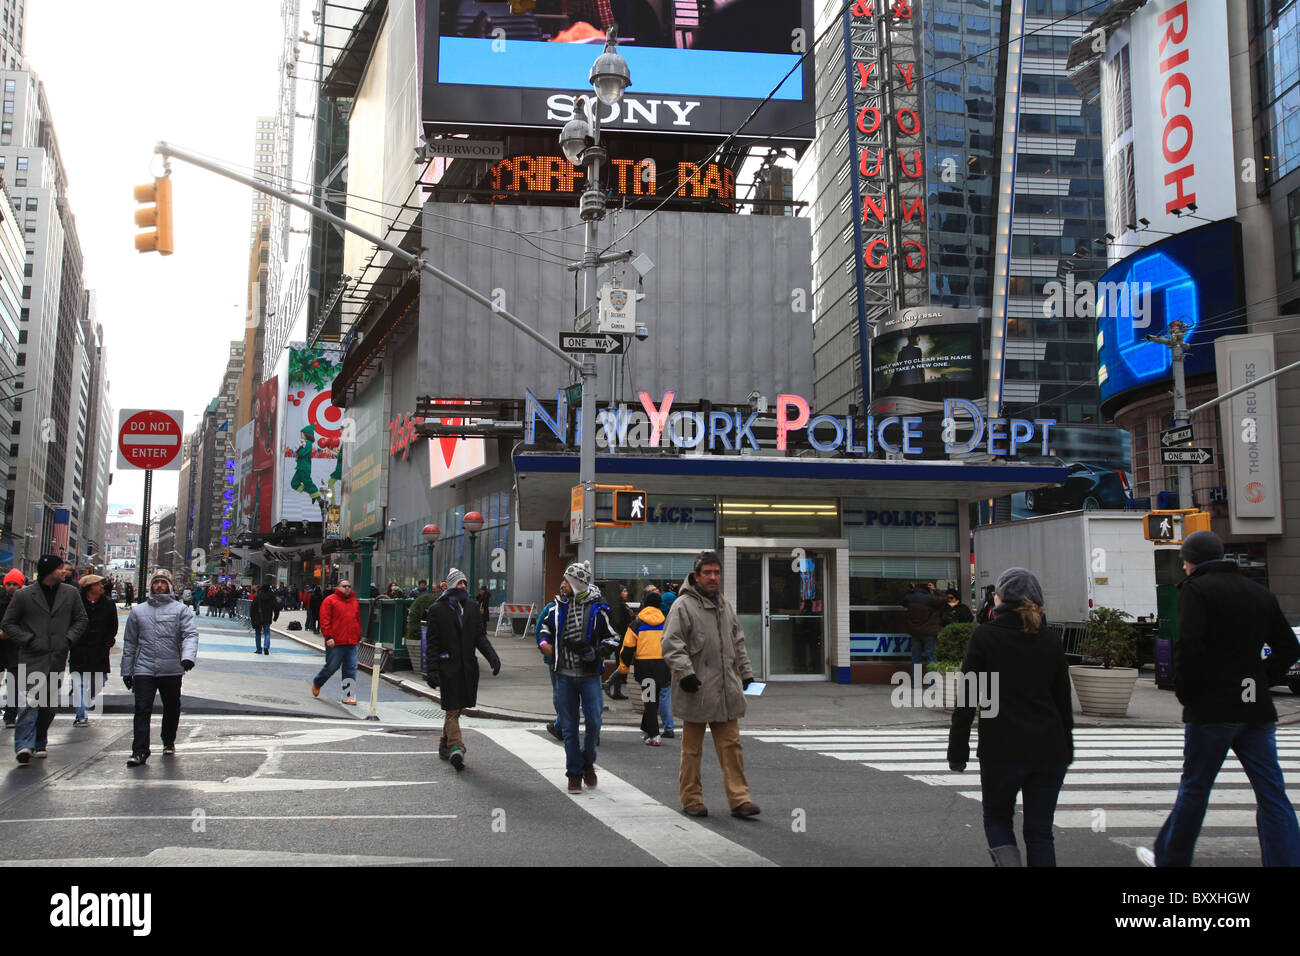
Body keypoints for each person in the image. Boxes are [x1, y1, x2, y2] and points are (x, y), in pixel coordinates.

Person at [1136, 530, 1300, 867]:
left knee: (1196, 788)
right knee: (1272, 792)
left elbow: (1190, 648)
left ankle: (1171, 858)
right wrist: (1262, 677)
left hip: (1212, 708)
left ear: (1191, 561)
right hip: (1255, 705)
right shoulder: (1259, 593)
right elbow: (1288, 647)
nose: (1183, 567)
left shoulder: (1196, 590)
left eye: (1184, 561)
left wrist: (1186, 693)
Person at [947, 567, 1073, 866]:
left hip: (1001, 748)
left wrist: (958, 750)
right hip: (1049, 749)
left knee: (997, 819)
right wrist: (1067, 745)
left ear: (999, 599)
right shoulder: (1050, 639)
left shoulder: (986, 637)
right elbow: (1062, 700)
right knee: (1040, 833)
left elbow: (967, 700)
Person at [661, 550, 759, 819]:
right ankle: (691, 799)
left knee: (732, 747)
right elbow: (671, 644)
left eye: (716, 572)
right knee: (692, 750)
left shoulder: (725, 606)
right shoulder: (682, 606)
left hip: (726, 691)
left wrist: (746, 673)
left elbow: (737, 641)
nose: (713, 577)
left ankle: (740, 799)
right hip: (697, 690)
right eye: (708, 573)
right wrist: (686, 673)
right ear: (697, 576)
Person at [537, 561, 620, 793]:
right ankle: (574, 772)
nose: (561, 585)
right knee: (570, 728)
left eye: (566, 581)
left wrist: (597, 652)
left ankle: (587, 761)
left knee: (594, 723)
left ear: (575, 583)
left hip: (589, 675)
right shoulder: (557, 607)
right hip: (563, 675)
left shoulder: (597, 609)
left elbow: (613, 638)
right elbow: (544, 628)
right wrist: (543, 643)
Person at [2, 555, 88, 763]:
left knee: (49, 706)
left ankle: (40, 740)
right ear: (49, 571)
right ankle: (24, 744)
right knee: (30, 702)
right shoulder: (24, 595)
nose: (64, 572)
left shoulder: (71, 594)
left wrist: (68, 639)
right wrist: (27, 639)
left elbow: (81, 619)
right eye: (60, 569)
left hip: (57, 657)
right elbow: (8, 623)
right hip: (31, 656)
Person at [423, 567, 500, 771]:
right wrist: (431, 670)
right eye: (459, 583)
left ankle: (443, 743)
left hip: (467, 668)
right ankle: (456, 747)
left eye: (465, 583)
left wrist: (492, 657)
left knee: (456, 708)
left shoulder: (472, 608)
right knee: (452, 707)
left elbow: (479, 637)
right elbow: (432, 643)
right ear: (450, 586)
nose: (463, 586)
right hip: (447, 666)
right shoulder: (436, 610)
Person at [122, 569, 199, 767]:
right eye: (156, 582)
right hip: (144, 668)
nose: (159, 586)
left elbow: (190, 634)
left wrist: (188, 657)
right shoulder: (138, 611)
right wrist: (127, 671)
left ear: (169, 586)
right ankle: (139, 751)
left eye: (163, 582)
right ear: (151, 586)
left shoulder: (181, 610)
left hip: (171, 668)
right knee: (142, 709)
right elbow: (130, 643)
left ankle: (168, 740)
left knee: (172, 707)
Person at [621, 589, 669, 745]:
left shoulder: (637, 623)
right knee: (653, 699)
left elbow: (627, 648)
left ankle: (655, 736)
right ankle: (647, 728)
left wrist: (624, 667)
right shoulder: (666, 622)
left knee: (649, 699)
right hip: (662, 665)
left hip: (645, 665)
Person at [70, 574, 118, 726]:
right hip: (79, 648)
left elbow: (113, 625)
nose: (101, 586)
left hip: (99, 649)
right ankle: (81, 715)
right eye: (98, 584)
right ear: (89, 588)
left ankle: (86, 701)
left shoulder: (109, 604)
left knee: (99, 681)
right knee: (78, 684)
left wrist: (108, 642)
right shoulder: (76, 604)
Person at [312, 580, 362, 704]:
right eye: (344, 586)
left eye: (349, 586)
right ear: (338, 587)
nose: (347, 588)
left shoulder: (354, 602)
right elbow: (325, 620)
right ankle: (318, 682)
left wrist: (358, 634)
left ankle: (348, 696)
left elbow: (357, 619)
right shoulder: (329, 600)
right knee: (331, 667)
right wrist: (328, 637)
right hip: (336, 641)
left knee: (351, 668)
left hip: (351, 641)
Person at [903, 581, 946, 678]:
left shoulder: (910, 598)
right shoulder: (930, 598)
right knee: (931, 657)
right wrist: (935, 590)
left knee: (916, 657)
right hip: (929, 632)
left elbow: (902, 601)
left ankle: (916, 682)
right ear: (927, 588)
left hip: (915, 632)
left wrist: (911, 590)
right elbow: (944, 599)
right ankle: (931, 683)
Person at [535, 592, 563, 741]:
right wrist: (545, 649)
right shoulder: (552, 608)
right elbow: (539, 631)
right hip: (556, 659)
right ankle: (562, 724)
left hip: (559, 659)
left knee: (561, 692)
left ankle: (561, 725)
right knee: (561, 692)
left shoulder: (552, 608)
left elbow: (539, 631)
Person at [0, 568, 23, 727]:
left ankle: (10, 715)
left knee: (14, 683)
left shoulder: (24, 602)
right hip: (1, 645)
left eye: (15, 584)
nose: (11, 587)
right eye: (9, 584)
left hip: (16, 646)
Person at [603, 584, 633, 701]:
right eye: (624, 591)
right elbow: (620, 623)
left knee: (621, 664)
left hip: (624, 638)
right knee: (621, 664)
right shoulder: (619, 607)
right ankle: (610, 684)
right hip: (622, 639)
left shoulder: (622, 606)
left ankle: (616, 690)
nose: (626, 593)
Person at [249, 584, 280, 655]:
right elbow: (276, 607)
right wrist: (275, 617)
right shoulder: (272, 597)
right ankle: (266, 646)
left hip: (258, 617)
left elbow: (253, 607)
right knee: (267, 633)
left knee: (258, 633)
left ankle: (259, 649)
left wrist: (252, 617)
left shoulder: (257, 596)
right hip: (268, 617)